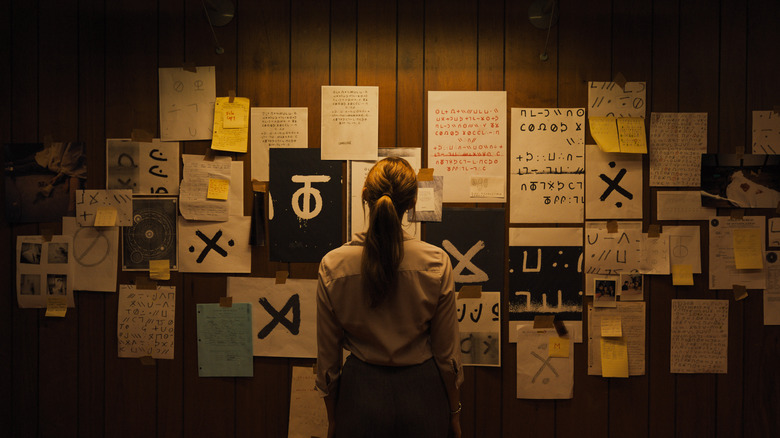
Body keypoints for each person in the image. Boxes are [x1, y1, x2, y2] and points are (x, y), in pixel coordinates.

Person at [316, 157, 463, 438]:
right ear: (411, 203)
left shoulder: (333, 265)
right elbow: (447, 356)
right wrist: (454, 412)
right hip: (423, 393)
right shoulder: (436, 262)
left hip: (359, 395)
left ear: (365, 197)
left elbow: (328, 360)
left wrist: (333, 418)